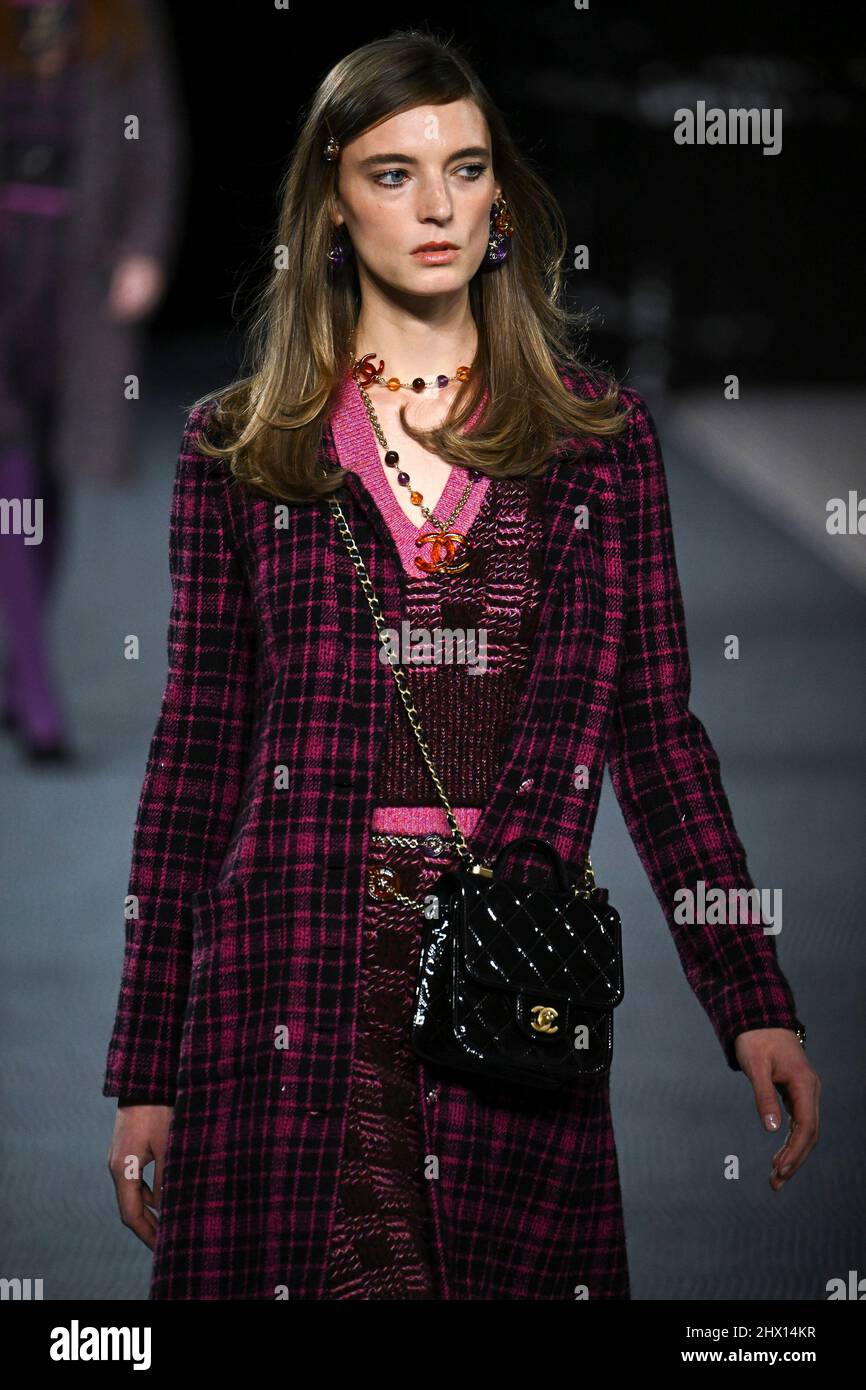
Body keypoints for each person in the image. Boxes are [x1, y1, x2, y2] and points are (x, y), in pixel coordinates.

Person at [104, 30, 820, 1301]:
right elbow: (196, 761)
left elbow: (656, 733)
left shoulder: (594, 446)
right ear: (330, 201)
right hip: (288, 974)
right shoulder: (241, 449)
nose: (436, 206)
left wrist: (747, 994)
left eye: (466, 167)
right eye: (392, 173)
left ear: (500, 196)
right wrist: (147, 1066)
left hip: (506, 981)